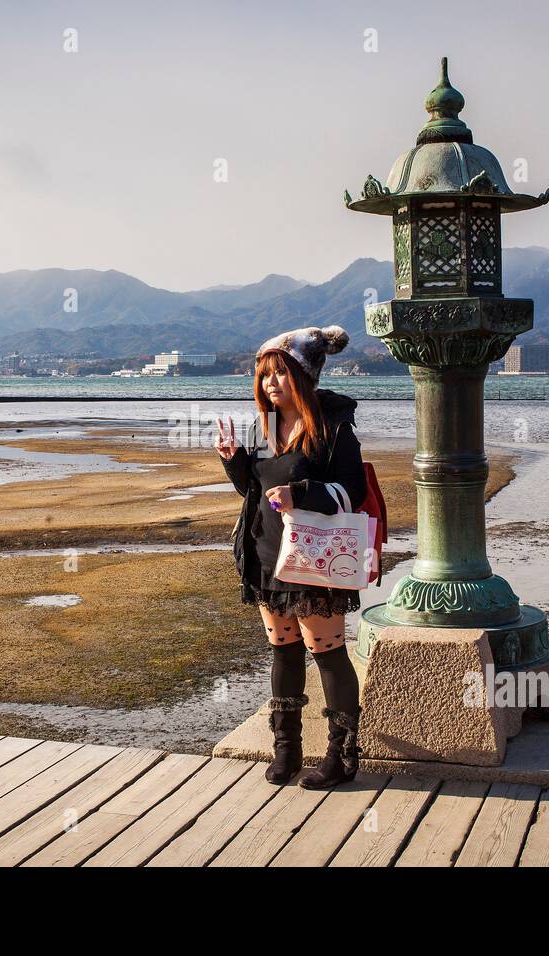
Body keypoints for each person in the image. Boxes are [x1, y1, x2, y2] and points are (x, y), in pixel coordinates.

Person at [216, 325, 367, 789]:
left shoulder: (333, 427)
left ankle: (341, 758)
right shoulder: (264, 429)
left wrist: (302, 493)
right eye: (264, 376)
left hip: (312, 561)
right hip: (266, 557)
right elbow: (254, 491)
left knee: (327, 653)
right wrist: (235, 461)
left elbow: (353, 491)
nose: (270, 384)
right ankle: (287, 750)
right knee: (282, 652)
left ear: (303, 374)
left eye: (280, 373)